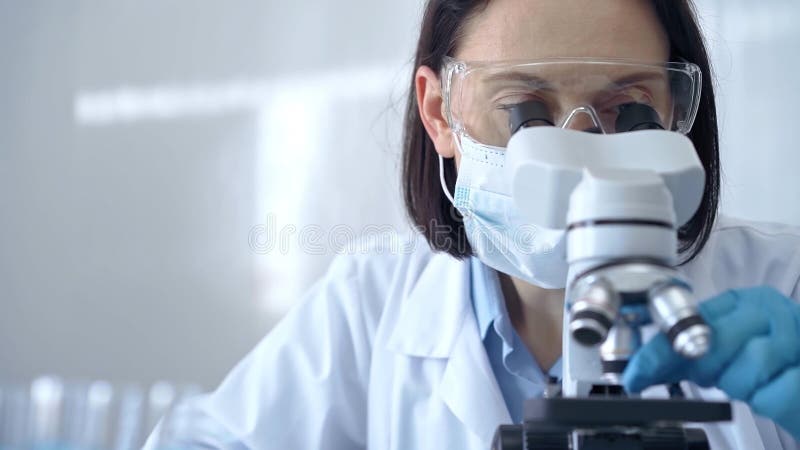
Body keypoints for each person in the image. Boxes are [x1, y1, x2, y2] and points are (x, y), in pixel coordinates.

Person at [146, 0, 800, 448]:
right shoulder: (371, 306)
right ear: (440, 113)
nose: (574, 151)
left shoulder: (784, 286)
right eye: (524, 111)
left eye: (627, 107)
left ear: (674, 111)